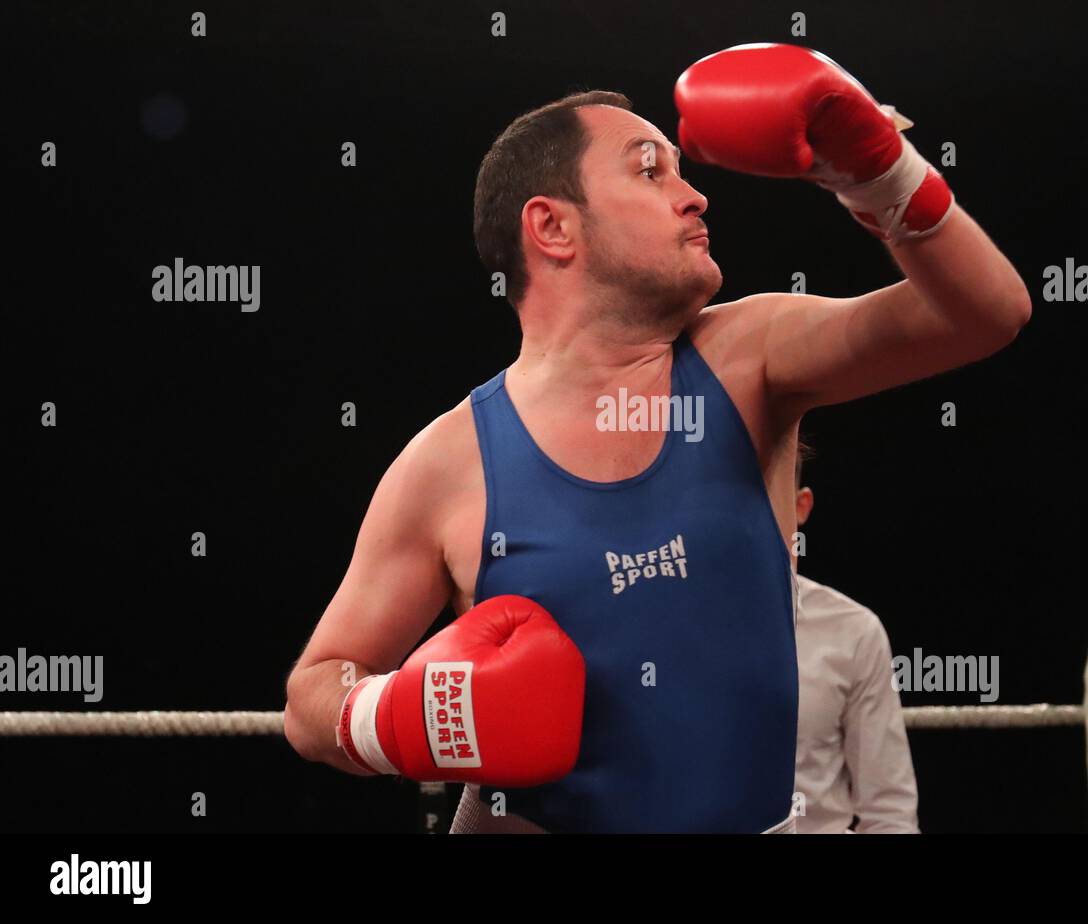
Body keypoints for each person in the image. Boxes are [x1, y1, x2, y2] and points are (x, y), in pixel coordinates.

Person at [284, 42, 1031, 833]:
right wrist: (404, 717)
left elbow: (986, 315)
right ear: (552, 227)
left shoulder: (748, 360)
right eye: (651, 171)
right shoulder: (448, 461)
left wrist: (881, 174)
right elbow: (311, 697)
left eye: (682, 171)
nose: (695, 198)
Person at [791, 440, 920, 833]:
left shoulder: (851, 632)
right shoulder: (662, 623)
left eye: (759, 492)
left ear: (801, 507)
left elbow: (889, 811)